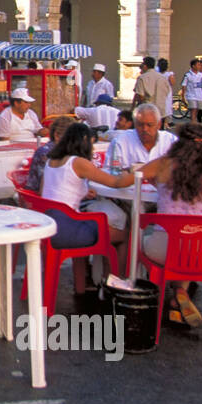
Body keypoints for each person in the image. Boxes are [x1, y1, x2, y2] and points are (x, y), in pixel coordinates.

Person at [137, 123, 202, 327]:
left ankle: (158, 298)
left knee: (143, 242)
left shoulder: (163, 165)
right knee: (190, 247)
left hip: (162, 249)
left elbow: (135, 176)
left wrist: (161, 186)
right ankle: (178, 296)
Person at [40, 122, 134, 295]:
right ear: (84, 141)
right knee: (125, 234)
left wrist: (82, 193)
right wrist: (137, 173)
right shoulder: (79, 163)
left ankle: (83, 286)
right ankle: (114, 285)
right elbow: (116, 183)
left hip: (48, 227)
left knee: (99, 222)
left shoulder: (51, 161)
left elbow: (52, 192)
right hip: (66, 231)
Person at [108, 103, 176, 168]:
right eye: (140, 125)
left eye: (149, 125)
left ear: (159, 125)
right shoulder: (120, 142)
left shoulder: (171, 141)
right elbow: (111, 171)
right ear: (134, 124)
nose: (145, 129)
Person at [25, 116, 74, 193]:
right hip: (43, 198)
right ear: (57, 135)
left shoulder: (68, 151)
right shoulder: (47, 153)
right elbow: (48, 187)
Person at [181, 59, 202, 124]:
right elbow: (184, 85)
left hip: (200, 95)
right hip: (191, 95)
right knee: (193, 109)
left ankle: (194, 121)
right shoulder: (188, 75)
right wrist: (183, 96)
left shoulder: (201, 75)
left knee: (198, 109)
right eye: (198, 65)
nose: (199, 66)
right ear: (193, 66)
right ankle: (193, 123)